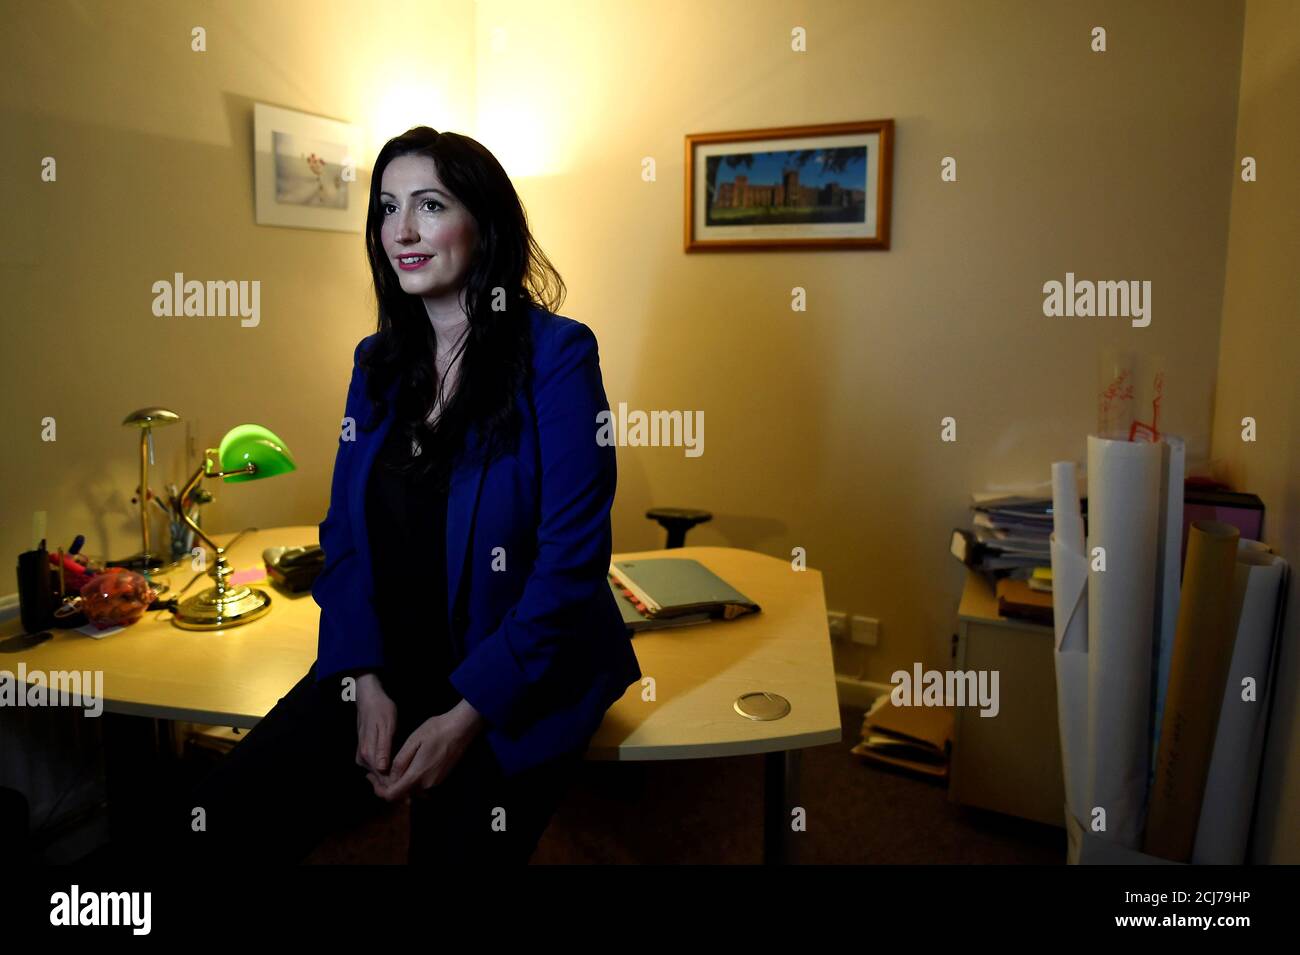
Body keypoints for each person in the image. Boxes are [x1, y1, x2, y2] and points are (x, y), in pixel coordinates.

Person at [172, 126, 641, 864]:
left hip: (514, 669)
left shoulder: (559, 355)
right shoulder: (377, 361)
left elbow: (570, 567)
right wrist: (363, 679)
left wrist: (467, 715)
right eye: (388, 209)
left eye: (429, 204)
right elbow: (346, 533)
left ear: (483, 223)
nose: (403, 231)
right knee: (215, 823)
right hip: (389, 658)